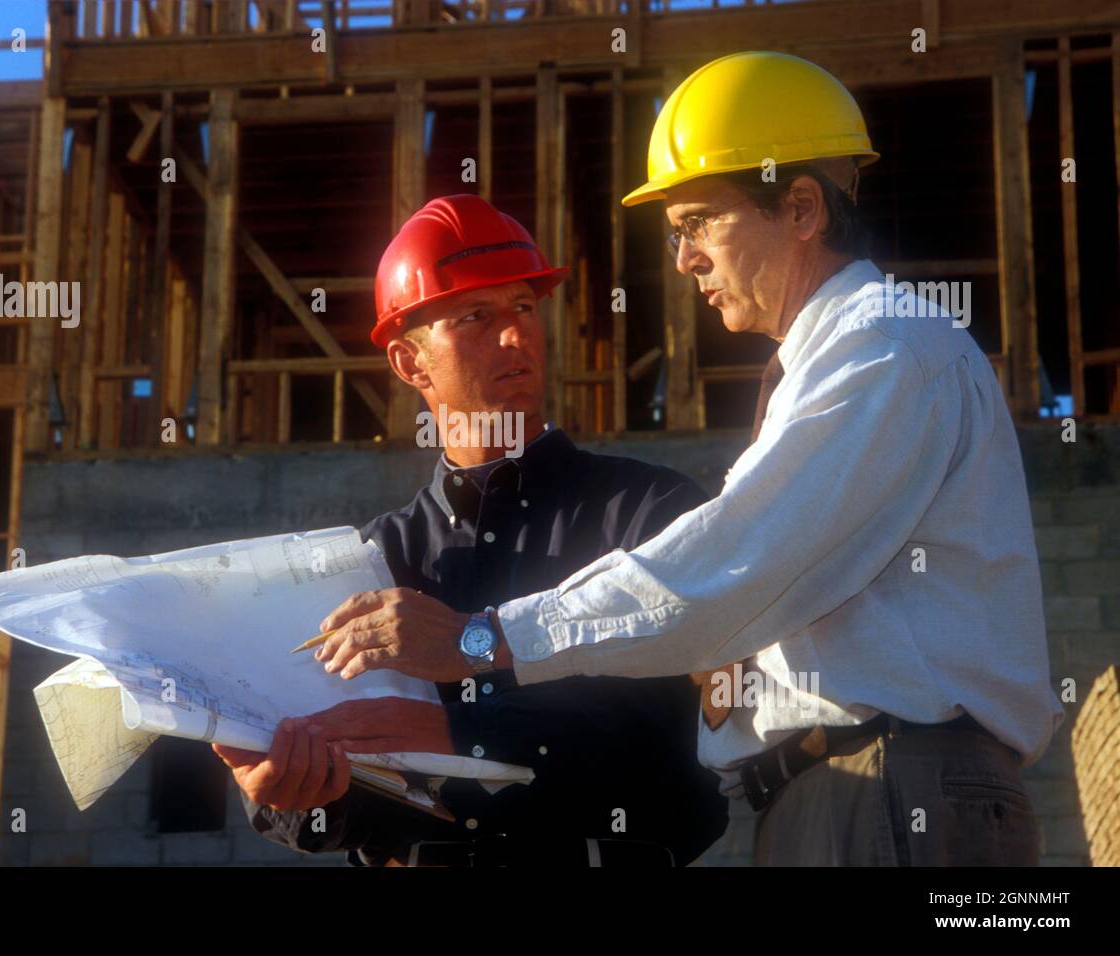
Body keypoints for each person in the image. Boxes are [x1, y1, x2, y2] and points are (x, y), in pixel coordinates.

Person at [310, 52, 1064, 866]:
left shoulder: (880, 351)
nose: (682, 260)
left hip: (886, 794)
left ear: (802, 207)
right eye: (676, 235)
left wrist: (479, 642)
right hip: (854, 791)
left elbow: (734, 565)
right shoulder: (844, 358)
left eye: (698, 223)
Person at [215, 194, 728, 866]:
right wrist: (290, 793)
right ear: (409, 362)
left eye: (524, 308)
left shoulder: (648, 513)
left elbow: (668, 742)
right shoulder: (373, 564)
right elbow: (348, 789)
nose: (516, 336)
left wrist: (463, 735)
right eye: (476, 317)